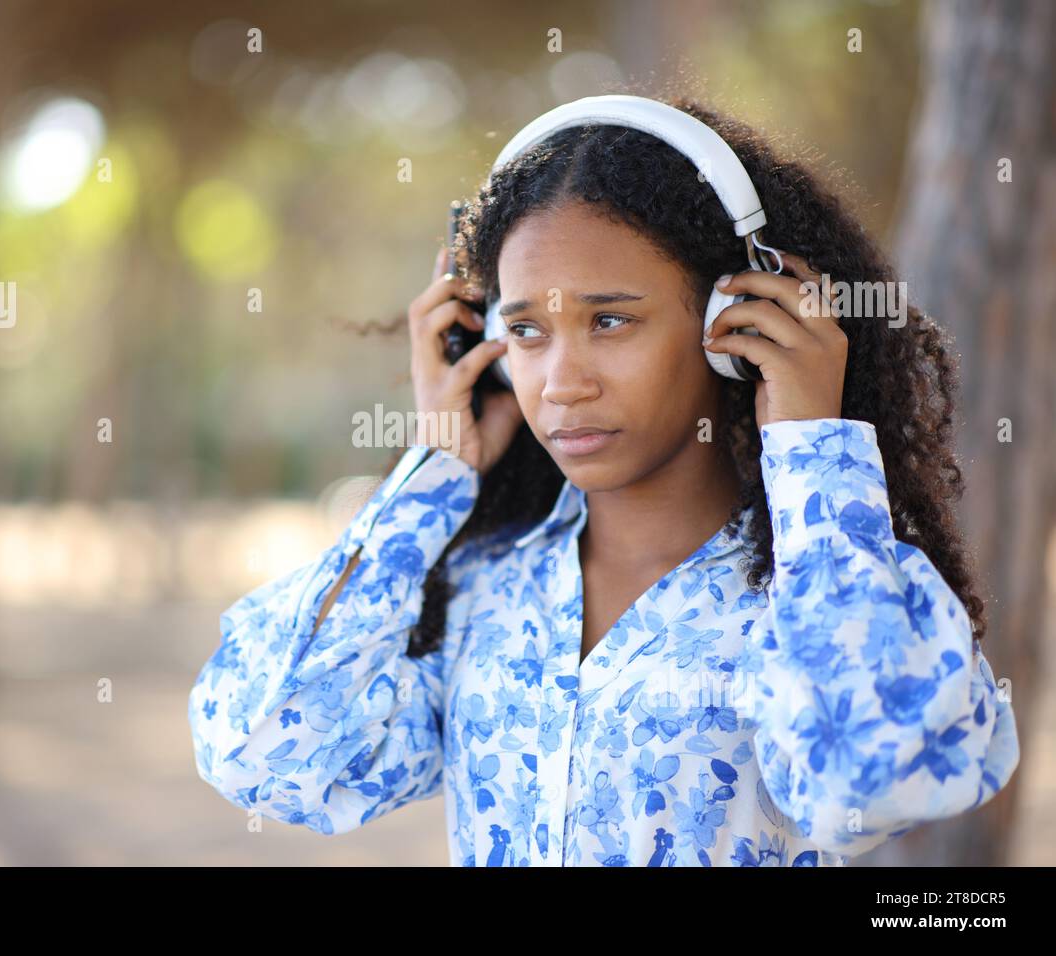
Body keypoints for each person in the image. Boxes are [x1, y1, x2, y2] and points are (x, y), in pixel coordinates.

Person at [187, 95, 1021, 867]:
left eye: (610, 320)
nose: (561, 381)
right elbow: (264, 752)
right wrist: (432, 475)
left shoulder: (822, 587)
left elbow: (870, 781)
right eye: (526, 330)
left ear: (735, 322)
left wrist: (813, 450)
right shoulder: (484, 592)